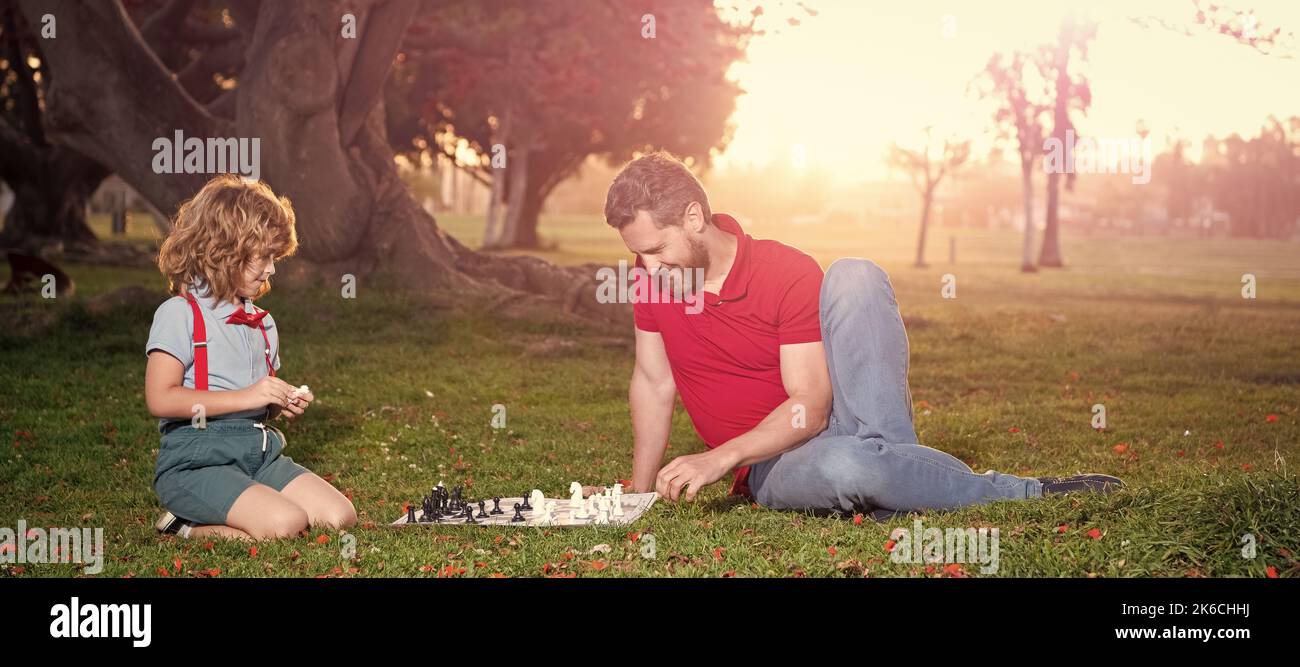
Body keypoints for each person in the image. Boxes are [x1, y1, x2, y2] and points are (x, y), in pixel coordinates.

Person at [604, 153, 1122, 517]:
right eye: (638, 254)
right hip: (771, 465)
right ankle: (895, 481)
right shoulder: (653, 281)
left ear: (694, 218)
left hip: (831, 424)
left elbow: (810, 407)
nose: (647, 268)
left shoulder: (784, 271)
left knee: (855, 273)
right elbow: (653, 381)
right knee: (848, 464)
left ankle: (1009, 491)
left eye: (657, 249)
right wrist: (639, 492)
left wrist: (719, 456)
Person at [144, 175, 356, 540]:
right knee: (285, 525)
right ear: (225, 251)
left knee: (339, 517)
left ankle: (250, 504)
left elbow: (259, 406)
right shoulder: (181, 314)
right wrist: (249, 396)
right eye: (265, 257)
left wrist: (278, 402)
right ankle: (183, 525)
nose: (272, 269)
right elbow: (160, 398)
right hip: (197, 463)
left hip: (258, 457)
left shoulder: (262, 323)